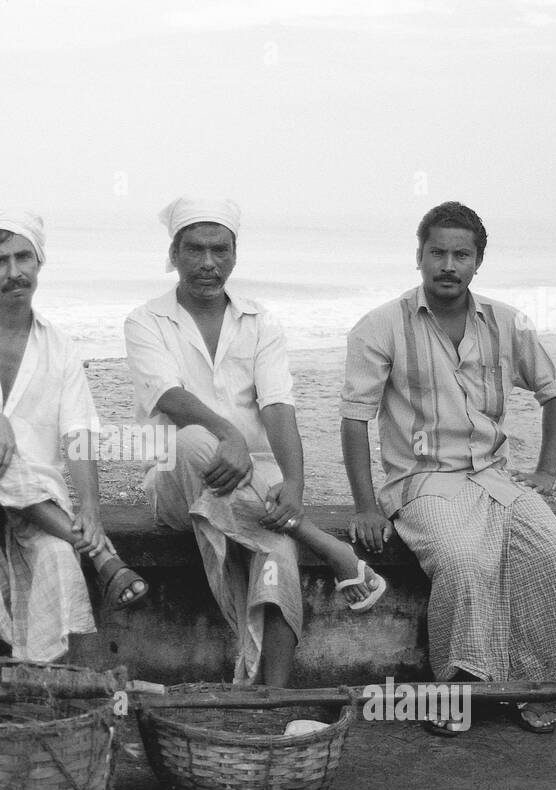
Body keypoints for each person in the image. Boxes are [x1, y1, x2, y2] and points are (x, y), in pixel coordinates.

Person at [341, 201, 556, 735]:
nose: (447, 265)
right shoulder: (380, 325)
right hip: (423, 482)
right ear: (418, 256)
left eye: (461, 254)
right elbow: (355, 419)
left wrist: (545, 473)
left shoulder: (505, 322)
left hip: (496, 478)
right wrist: (365, 506)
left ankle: (529, 687)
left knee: (555, 553)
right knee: (463, 559)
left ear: (478, 261)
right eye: (437, 253)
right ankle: (458, 692)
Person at [124, 196, 385, 687]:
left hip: (251, 483)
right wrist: (227, 434)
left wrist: (293, 485)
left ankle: (272, 697)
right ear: (174, 254)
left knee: (276, 545)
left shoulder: (260, 322)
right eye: (195, 249)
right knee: (190, 441)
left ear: (235, 254)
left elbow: (278, 407)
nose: (208, 263)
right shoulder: (145, 321)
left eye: (219, 249)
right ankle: (328, 546)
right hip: (176, 482)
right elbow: (169, 397)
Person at [0, 209, 147, 662]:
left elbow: (79, 431)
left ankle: (39, 685)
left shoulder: (58, 343)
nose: (14, 273)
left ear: (39, 262)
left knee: (54, 556)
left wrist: (90, 507)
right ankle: (99, 555)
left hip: (37, 504)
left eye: (23, 258)